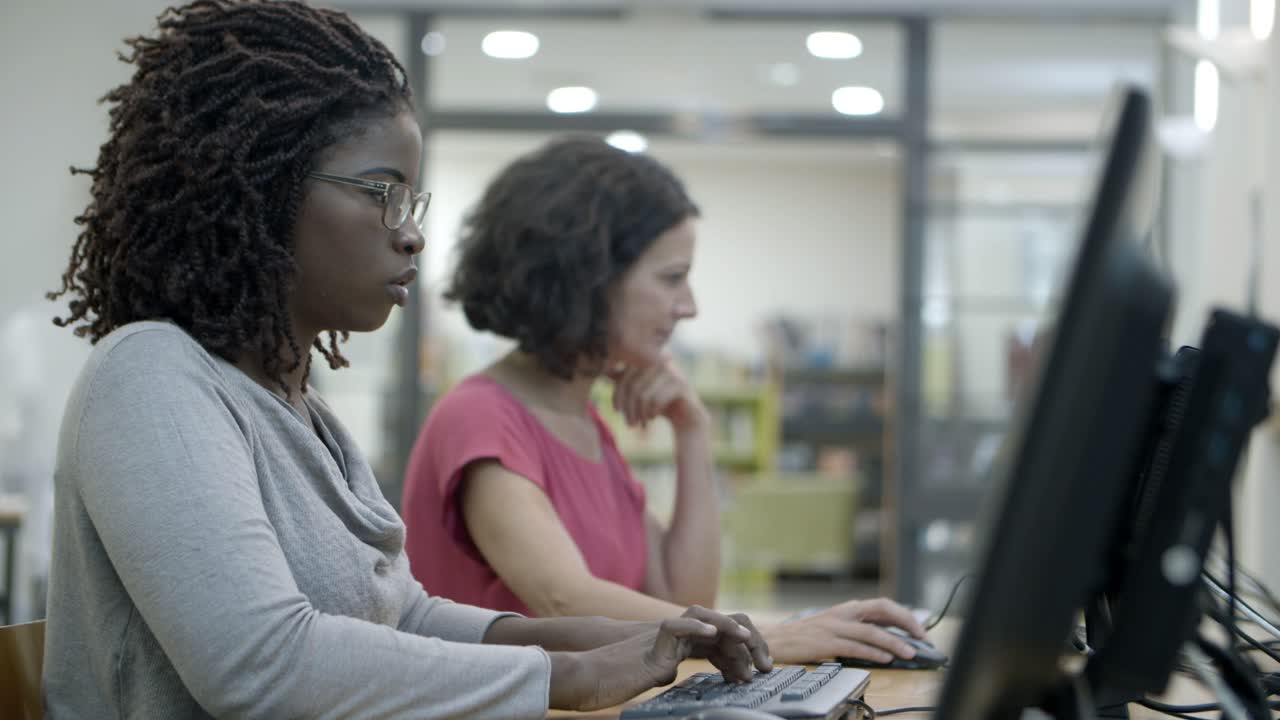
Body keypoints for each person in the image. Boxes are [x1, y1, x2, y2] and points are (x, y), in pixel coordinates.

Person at [41, 3, 771, 718]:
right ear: (265, 191)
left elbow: (406, 618)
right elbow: (260, 667)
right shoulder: (151, 375)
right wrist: (569, 678)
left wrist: (642, 641)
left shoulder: (303, 409)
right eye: (383, 194)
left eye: (411, 201)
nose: (412, 235)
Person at [401, 136, 929, 666]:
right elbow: (563, 600)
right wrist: (769, 636)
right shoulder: (479, 417)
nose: (689, 306)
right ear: (587, 280)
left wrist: (692, 430)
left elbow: (685, 598)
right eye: (672, 278)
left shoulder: (582, 421)